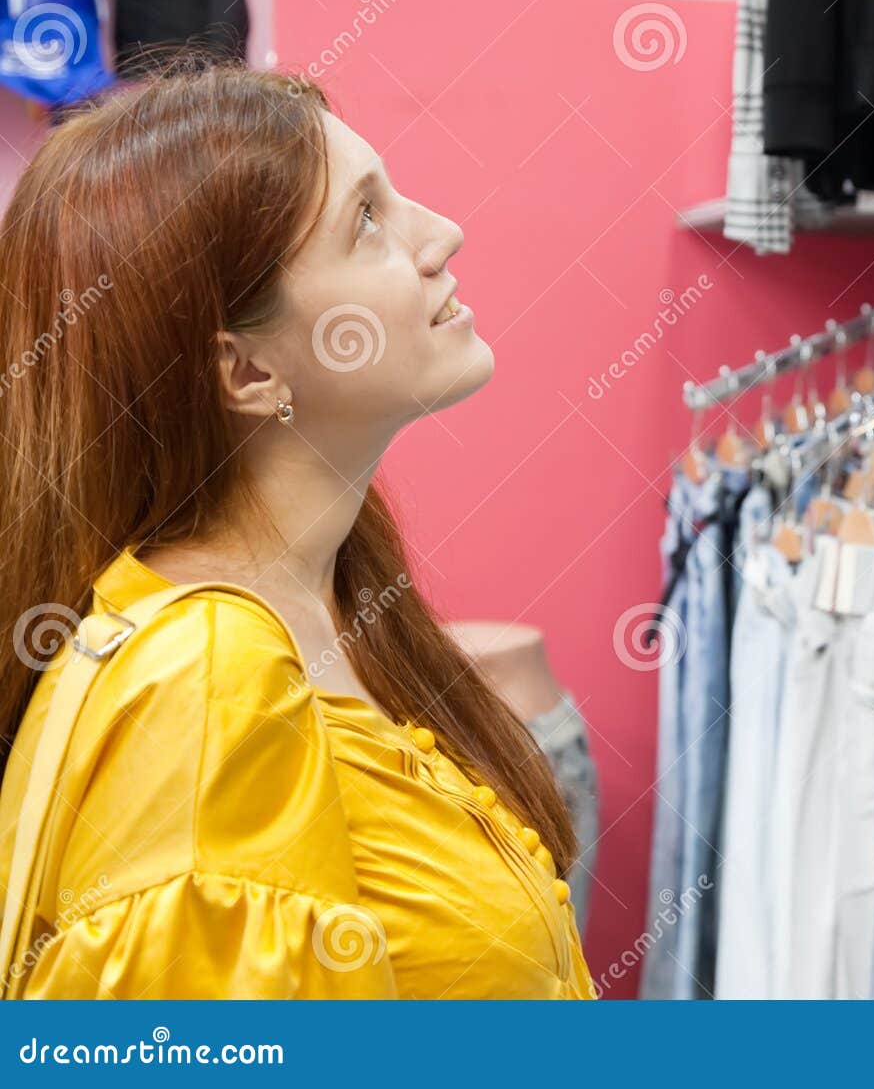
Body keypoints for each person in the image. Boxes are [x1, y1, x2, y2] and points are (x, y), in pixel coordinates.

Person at [0, 62, 594, 998]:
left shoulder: (332, 603)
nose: (443, 235)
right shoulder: (205, 678)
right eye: (367, 219)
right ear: (243, 372)